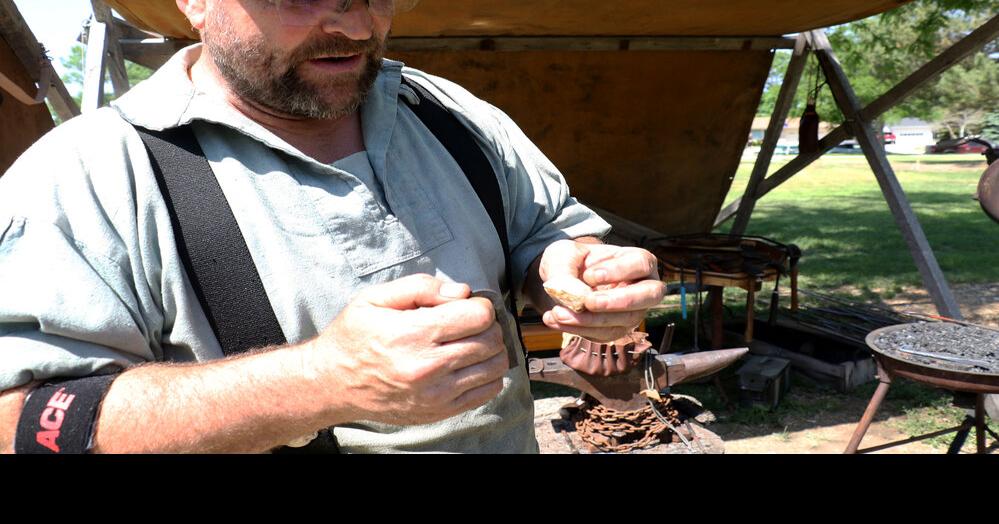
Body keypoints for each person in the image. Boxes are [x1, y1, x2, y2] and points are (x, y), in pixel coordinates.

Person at [0, 0, 665, 453]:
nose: (349, 25)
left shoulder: (447, 111)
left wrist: (568, 272)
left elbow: (545, 229)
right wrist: (320, 382)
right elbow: (17, 425)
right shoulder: (86, 176)